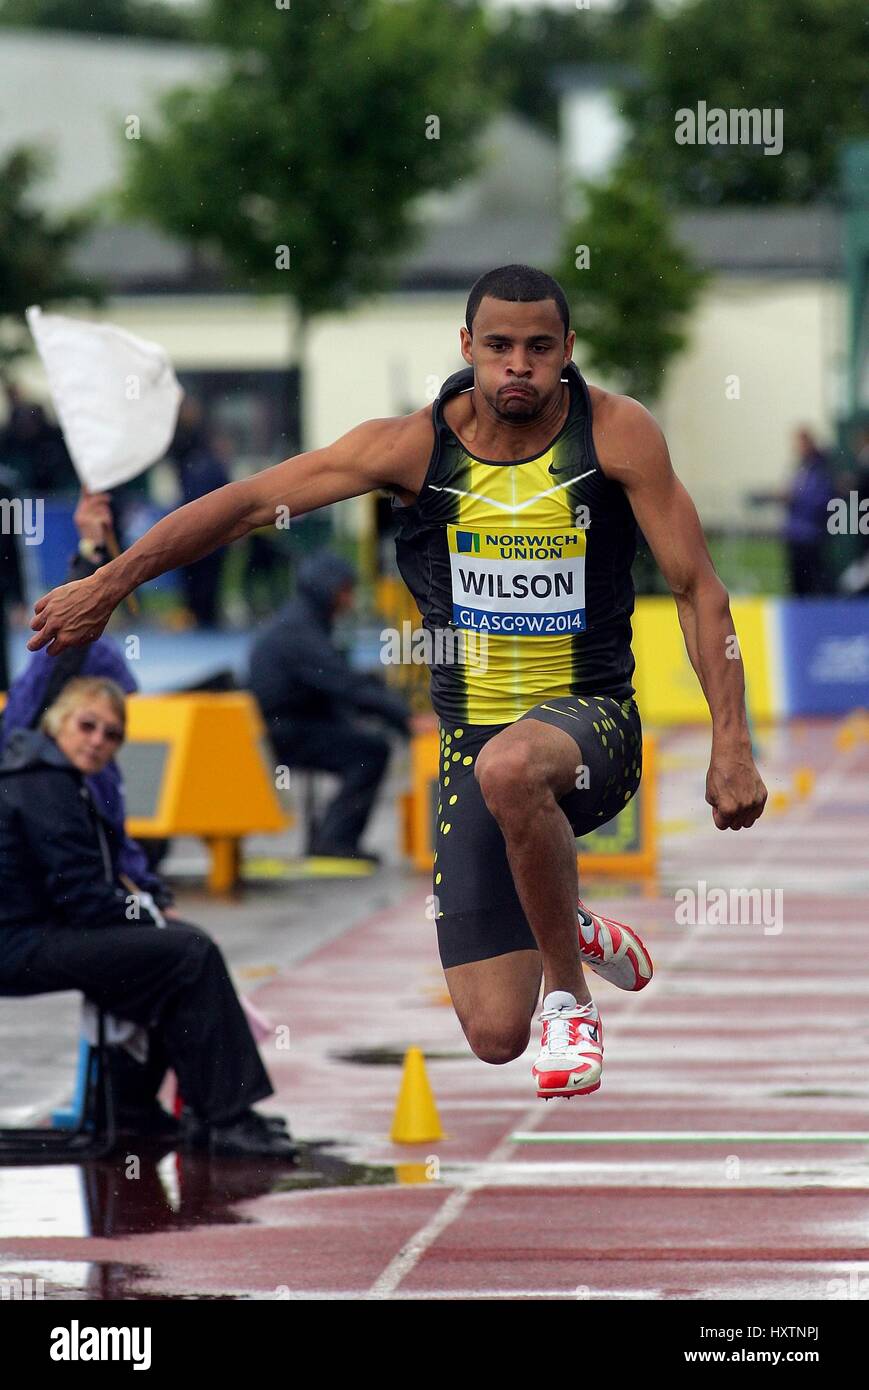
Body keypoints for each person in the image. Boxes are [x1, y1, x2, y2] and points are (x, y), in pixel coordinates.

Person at [25, 264, 768, 1100]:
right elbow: (248, 503)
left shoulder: (618, 435)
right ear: (466, 346)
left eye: (538, 348)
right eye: (498, 346)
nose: (517, 366)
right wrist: (110, 582)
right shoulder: (412, 448)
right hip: (473, 750)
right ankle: (562, 918)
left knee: (512, 767)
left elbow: (697, 589)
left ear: (567, 350)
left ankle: (569, 1000)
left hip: (593, 726)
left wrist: (731, 744)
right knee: (494, 1033)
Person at [0, 675, 296, 1158]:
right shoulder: (44, 783)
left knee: (169, 949)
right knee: (188, 953)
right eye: (87, 726)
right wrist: (148, 914)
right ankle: (226, 1117)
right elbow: (84, 897)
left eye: (112, 734)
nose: (98, 740)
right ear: (57, 723)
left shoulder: (54, 776)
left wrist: (148, 908)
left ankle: (134, 1107)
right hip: (19, 944)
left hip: (35, 933)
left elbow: (96, 882)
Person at [248, 549, 410, 861]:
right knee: (371, 752)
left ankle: (329, 838)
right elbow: (346, 685)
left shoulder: (300, 620)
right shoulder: (299, 632)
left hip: (287, 721)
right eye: (345, 591)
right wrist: (405, 718)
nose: (349, 601)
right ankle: (335, 842)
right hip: (280, 731)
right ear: (327, 588)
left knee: (362, 739)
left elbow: (339, 683)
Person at [783, 428, 836, 596]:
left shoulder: (819, 469)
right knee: (798, 585)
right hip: (797, 535)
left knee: (811, 585)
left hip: (810, 535)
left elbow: (820, 499)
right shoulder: (802, 468)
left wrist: (795, 498)